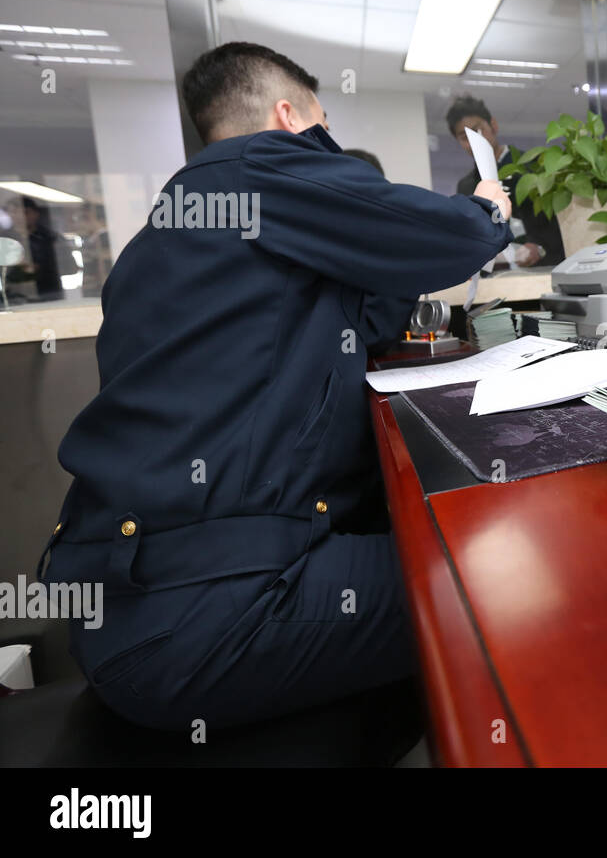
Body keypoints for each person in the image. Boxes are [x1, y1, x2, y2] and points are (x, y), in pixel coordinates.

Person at [37, 41, 513, 731]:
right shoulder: (257, 171)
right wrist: (487, 213)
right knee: (509, 572)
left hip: (121, 599)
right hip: (206, 611)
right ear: (289, 117)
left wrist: (387, 257)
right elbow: (436, 233)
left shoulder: (173, 229)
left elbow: (358, 309)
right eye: (325, 125)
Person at [446, 94, 565, 267]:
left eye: (477, 130)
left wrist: (538, 246)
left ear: (493, 125)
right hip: (494, 280)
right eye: (464, 137)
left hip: (546, 270)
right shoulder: (466, 186)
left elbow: (560, 219)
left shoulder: (535, 164)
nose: (473, 141)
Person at [19, 197, 65, 301]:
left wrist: (41, 267)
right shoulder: (6, 238)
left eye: (25, 212)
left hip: (49, 293)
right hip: (15, 296)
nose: (19, 217)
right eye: (13, 213)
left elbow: (68, 266)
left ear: (36, 214)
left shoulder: (50, 237)